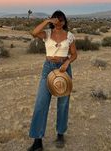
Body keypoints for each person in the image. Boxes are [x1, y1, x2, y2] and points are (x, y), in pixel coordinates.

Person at [27, 10, 77, 151]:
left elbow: (74, 54)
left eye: (61, 20)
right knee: (41, 103)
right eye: (56, 20)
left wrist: (67, 62)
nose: (59, 23)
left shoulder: (70, 36)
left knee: (63, 102)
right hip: (48, 67)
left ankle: (60, 133)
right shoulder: (47, 34)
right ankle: (38, 140)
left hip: (63, 69)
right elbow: (33, 32)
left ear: (65, 21)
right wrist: (47, 21)